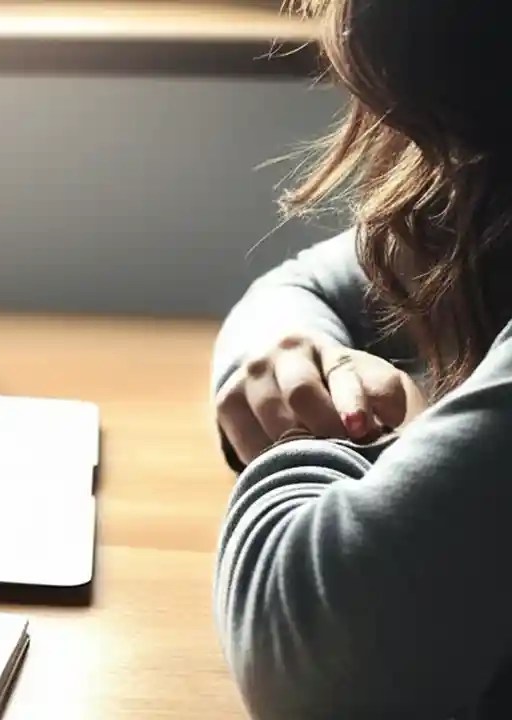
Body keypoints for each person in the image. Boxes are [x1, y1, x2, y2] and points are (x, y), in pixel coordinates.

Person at [211, 0, 512, 717]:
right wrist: (291, 356)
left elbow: (311, 660)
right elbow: (305, 285)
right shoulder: (482, 191)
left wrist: (323, 430)